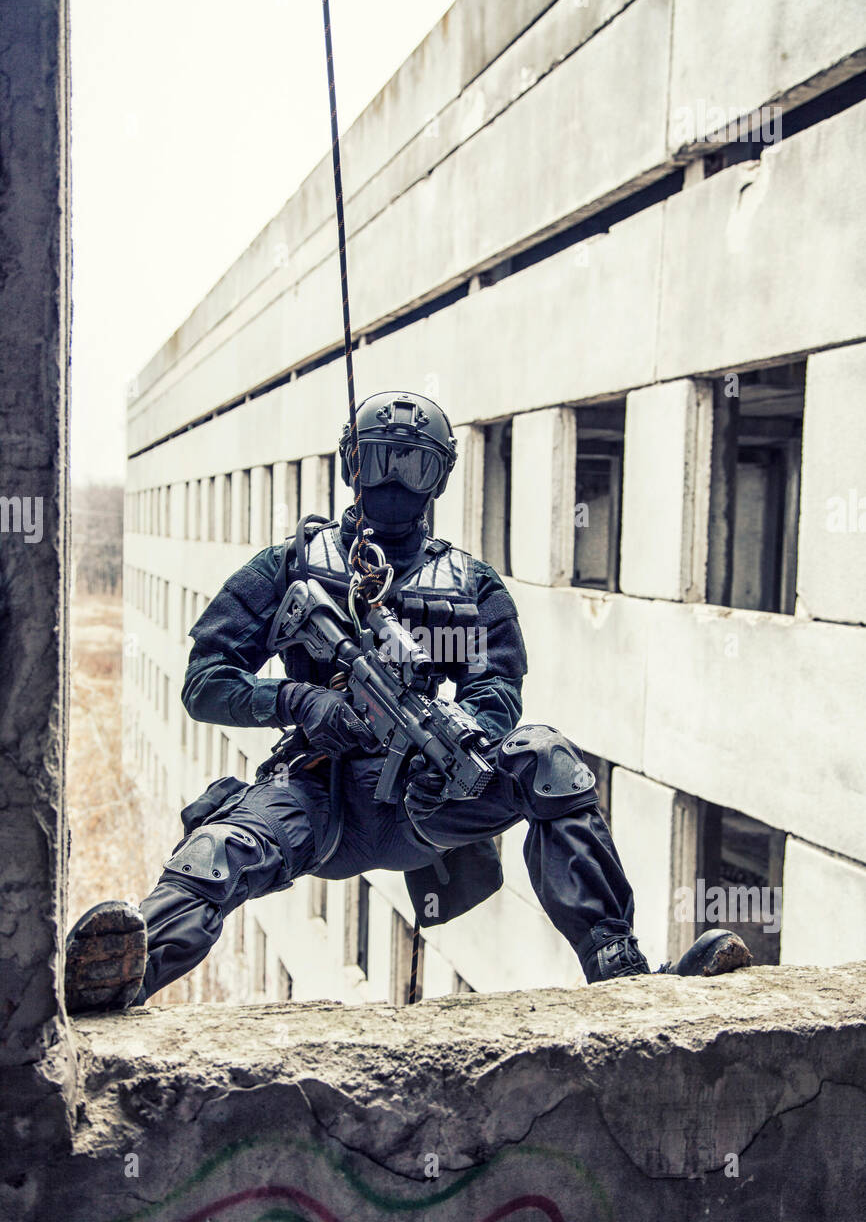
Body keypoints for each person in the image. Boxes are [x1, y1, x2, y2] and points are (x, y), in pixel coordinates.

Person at [64, 390, 751, 1014]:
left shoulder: (472, 584)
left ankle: (621, 975)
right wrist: (300, 701)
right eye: (379, 460)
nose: (394, 478)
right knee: (218, 853)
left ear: (440, 478)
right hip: (316, 790)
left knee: (549, 759)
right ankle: (124, 967)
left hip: (423, 799)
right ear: (350, 467)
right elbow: (205, 681)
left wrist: (465, 737)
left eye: (414, 464)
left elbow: (498, 688)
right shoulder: (291, 568)